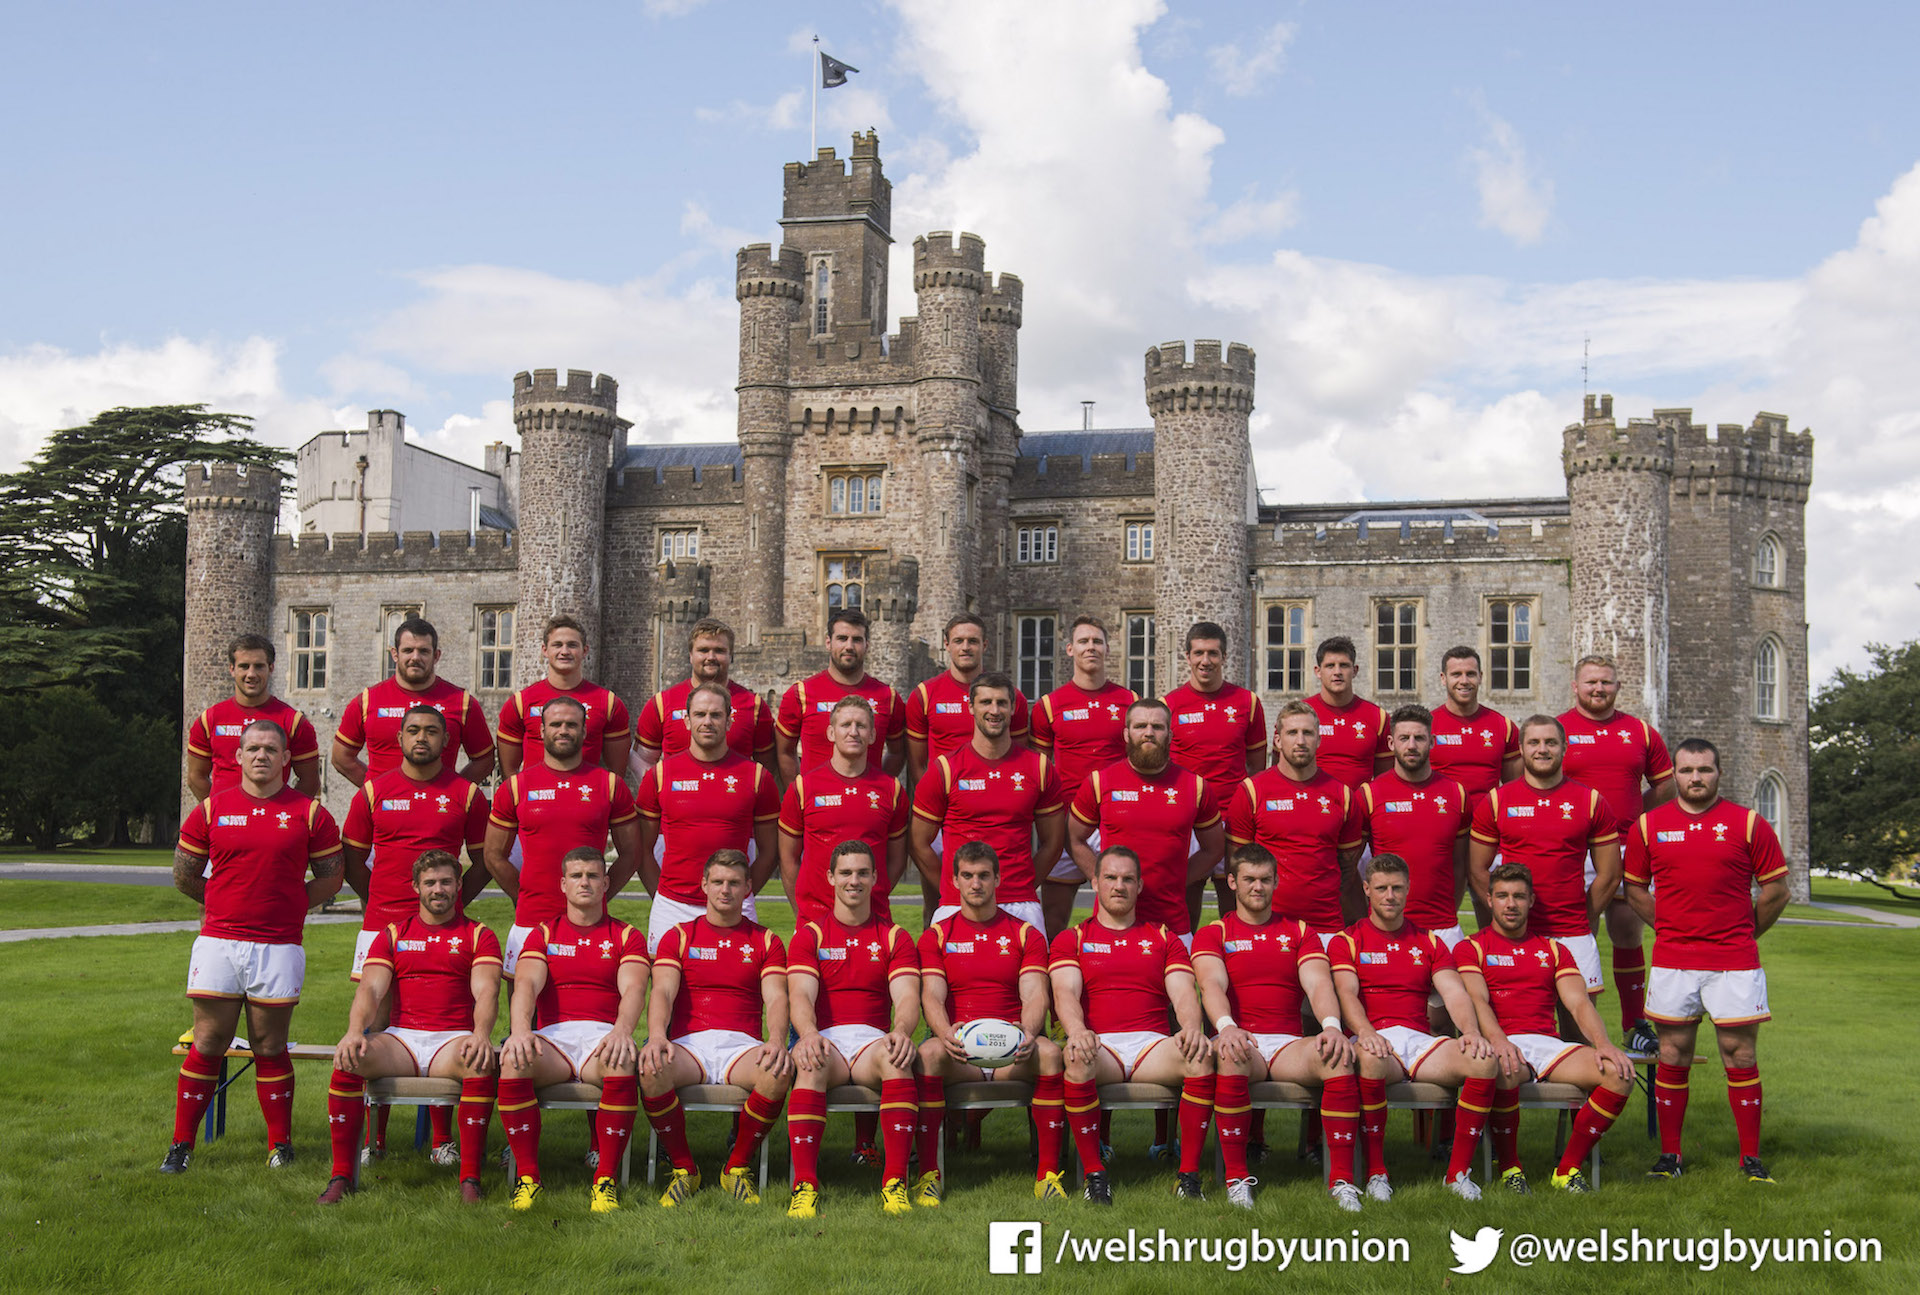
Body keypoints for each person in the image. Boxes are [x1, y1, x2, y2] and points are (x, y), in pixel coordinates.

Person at [162, 719, 343, 1174]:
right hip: (219, 942)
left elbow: (332, 877)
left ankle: (280, 1146)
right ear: (237, 758)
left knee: (269, 1043)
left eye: (271, 749)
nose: (261, 755)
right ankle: (181, 1145)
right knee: (208, 1040)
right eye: (253, 749)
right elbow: (184, 875)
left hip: (279, 945)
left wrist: (290, 904)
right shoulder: (209, 810)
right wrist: (225, 902)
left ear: (286, 759)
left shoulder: (311, 813)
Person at [1623, 738, 1789, 1184]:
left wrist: (1744, 932)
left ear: (1719, 772)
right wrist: (1669, 925)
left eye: (1704, 770)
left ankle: (1750, 1159)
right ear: (1673, 774)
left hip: (1734, 960)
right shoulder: (1648, 826)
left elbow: (1776, 891)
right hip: (1675, 959)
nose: (1695, 778)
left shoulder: (1749, 824)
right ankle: (1670, 1157)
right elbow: (1634, 887)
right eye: (1686, 770)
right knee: (1674, 1054)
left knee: (1740, 1054)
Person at [339, 703, 492, 1162]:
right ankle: (377, 1142)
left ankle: (442, 1141)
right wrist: (381, 903)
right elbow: (351, 860)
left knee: (445, 1021)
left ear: (447, 742)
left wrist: (452, 899)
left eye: (431, 731)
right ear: (398, 738)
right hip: (383, 927)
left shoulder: (466, 794)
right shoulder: (373, 791)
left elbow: (484, 860)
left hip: (448, 929)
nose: (421, 738)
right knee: (377, 1027)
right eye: (412, 731)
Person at [315, 850, 501, 1205]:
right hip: (403, 1038)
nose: (438, 889)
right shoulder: (393, 933)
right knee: (350, 1058)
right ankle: (342, 1175)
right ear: (416, 887)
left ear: (459, 885)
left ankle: (470, 1179)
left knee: (479, 1061)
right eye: (430, 882)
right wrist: (355, 1030)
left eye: (446, 881)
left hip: (452, 1039)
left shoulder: (479, 934)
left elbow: (486, 990)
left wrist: (480, 1035)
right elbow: (370, 988)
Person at [1193, 845, 1362, 1211]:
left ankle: (1343, 1181)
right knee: (1231, 1053)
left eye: (1266, 880)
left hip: (1287, 1044)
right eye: (1250, 879)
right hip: (1242, 1038)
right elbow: (1211, 985)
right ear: (1233, 882)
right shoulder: (1214, 932)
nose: (1258, 887)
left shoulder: (1299, 931)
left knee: (1337, 1058)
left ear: (1276, 882)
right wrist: (1227, 1027)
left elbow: (1318, 984)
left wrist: (1332, 1027)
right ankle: (1238, 1178)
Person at [1455, 863, 1637, 1195]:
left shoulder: (1553, 949)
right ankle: (1510, 1167)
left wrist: (1604, 1044)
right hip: (1504, 1042)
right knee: (1505, 1068)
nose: (1511, 904)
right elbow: (1477, 1001)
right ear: (1489, 899)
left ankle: (1567, 1170)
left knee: (1619, 1074)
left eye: (1519, 897)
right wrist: (1499, 1041)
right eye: (1503, 896)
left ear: (1531, 901)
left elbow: (1579, 1003)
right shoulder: (1472, 947)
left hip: (1548, 1044)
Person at [1049, 846, 1216, 1205]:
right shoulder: (1073, 939)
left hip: (1151, 1045)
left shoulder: (1163, 938)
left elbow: (1184, 992)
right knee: (1076, 1058)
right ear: (1095, 883)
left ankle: (1187, 1177)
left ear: (1140, 886)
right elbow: (1065, 992)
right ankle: (1096, 1175)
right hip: (1101, 1045)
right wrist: (1077, 1031)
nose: (1119, 886)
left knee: (1200, 1055)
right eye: (1110, 877)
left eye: (1127, 879)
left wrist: (1190, 1027)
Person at [1329, 854, 1499, 1202]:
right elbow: (1346, 995)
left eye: (1396, 888)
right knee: (1372, 1059)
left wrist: (1469, 1031)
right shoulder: (1346, 941)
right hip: (1373, 1038)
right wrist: (1365, 1033)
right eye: (1381, 888)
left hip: (1420, 1041)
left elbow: (1454, 992)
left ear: (1408, 890)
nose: (1389, 895)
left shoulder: (1431, 942)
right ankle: (1377, 1172)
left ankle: (1458, 1174)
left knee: (1483, 1061)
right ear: (1366, 890)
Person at [495, 848, 650, 1213]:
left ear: (606, 883)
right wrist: (520, 1031)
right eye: (577, 876)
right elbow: (526, 988)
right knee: (514, 1061)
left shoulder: (626, 935)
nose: (585, 882)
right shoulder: (543, 933)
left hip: (602, 1036)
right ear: (563, 884)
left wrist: (622, 1031)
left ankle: (605, 1180)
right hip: (555, 1038)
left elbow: (634, 991)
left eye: (593, 876)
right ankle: (528, 1179)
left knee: (621, 1062)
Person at [639, 850, 794, 1207]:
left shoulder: (766, 940)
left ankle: (736, 1167)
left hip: (741, 1046)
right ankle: (684, 1169)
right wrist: (659, 1037)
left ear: (748, 889)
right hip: (688, 1044)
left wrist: (775, 1041)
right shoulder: (678, 936)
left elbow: (776, 999)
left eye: (735, 883)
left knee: (777, 1072)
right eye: (719, 882)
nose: (726, 890)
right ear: (704, 885)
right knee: (650, 1068)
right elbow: (662, 990)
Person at [915, 841, 1067, 1204]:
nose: (976, 884)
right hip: (961, 1054)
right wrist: (944, 1033)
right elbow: (931, 996)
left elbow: (1034, 995)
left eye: (984, 875)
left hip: (1011, 1053)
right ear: (954, 881)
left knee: (1049, 1053)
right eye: (967, 876)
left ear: (997, 879)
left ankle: (1047, 1174)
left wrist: (1028, 1033)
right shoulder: (938, 935)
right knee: (927, 1055)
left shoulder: (1025, 934)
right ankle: (928, 1174)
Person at [785, 842, 922, 1217]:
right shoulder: (809, 935)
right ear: (830, 878)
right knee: (810, 1063)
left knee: (897, 1059)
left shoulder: (895, 937)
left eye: (863, 873)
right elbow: (800, 996)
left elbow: (908, 997)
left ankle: (894, 1182)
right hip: (826, 1039)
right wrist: (809, 1034)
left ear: (876, 878)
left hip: (870, 1043)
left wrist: (901, 1031)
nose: (854, 881)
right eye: (845, 873)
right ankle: (805, 1186)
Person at [1559, 654, 1676, 1046]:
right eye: (1591, 682)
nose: (1598, 689)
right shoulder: (1558, 730)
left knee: (1627, 931)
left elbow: (1665, 786)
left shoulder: (1640, 732)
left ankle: (1634, 1026)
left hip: (1625, 846)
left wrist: (1638, 819)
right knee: (1579, 938)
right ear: (1575, 686)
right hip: (1574, 850)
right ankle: (1574, 1032)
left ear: (1617, 687)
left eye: (1606, 682)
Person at [484, 696, 641, 979]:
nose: (563, 730)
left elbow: (631, 853)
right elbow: (493, 854)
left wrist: (600, 894)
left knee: (591, 1009)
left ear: (584, 732)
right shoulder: (516, 787)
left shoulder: (609, 785)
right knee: (523, 1014)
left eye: (572, 724)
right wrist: (522, 896)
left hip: (589, 923)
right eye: (555, 724)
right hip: (531, 919)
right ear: (541, 731)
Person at [1466, 715, 1624, 997]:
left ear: (1565, 747)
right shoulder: (1497, 800)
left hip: (1572, 933)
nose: (1542, 749)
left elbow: (1610, 875)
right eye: (1534, 742)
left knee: (1580, 1031)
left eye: (1551, 742)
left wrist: (1583, 918)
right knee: (1514, 1027)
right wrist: (1506, 915)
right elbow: (1477, 869)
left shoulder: (1590, 801)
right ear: (1522, 749)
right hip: (1517, 935)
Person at [910, 672, 1065, 931]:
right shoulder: (945, 769)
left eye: (1002, 703)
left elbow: (1054, 842)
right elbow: (918, 843)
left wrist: (1022, 884)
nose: (994, 710)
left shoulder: (1039, 767)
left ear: (1014, 708)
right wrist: (952, 887)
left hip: (1020, 903)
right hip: (957, 904)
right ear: (971, 707)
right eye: (986, 702)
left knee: (1030, 973)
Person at [634, 681, 781, 953]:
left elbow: (770, 852)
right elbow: (641, 849)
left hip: (735, 906)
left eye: (716, 715)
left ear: (729, 721)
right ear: (687, 721)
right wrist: (664, 895)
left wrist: (742, 893)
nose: (708, 721)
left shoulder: (757, 776)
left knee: (740, 989)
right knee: (665, 992)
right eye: (700, 715)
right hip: (672, 907)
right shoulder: (661, 774)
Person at [906, 613, 1031, 931]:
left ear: (984, 646)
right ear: (946, 644)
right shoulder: (925, 694)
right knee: (936, 899)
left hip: (994, 803)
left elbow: (1018, 756)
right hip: (942, 808)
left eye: (973, 641)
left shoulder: (1007, 697)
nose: (966, 647)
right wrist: (938, 803)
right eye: (959, 641)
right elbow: (918, 763)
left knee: (998, 892)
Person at [1066, 697, 1225, 942]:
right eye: (1140, 726)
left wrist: (1177, 878)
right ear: (1126, 734)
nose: (1148, 733)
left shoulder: (1196, 786)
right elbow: (1073, 838)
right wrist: (1102, 880)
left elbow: (1214, 849)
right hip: (1111, 924)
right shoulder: (1100, 782)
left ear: (1170, 735)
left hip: (1172, 925)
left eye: (1157, 727)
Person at [1030, 616, 1136, 938]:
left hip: (1112, 820)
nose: (1091, 647)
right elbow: (1040, 771)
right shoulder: (1049, 705)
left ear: (1107, 649)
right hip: (1065, 822)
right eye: (1084, 641)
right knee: (1054, 918)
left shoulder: (1129, 701)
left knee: (1117, 913)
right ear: (1069, 649)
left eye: (1097, 641)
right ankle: (1051, 984)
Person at [1225, 700, 1367, 940]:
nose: (1301, 741)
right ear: (1278, 741)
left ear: (1319, 740)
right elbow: (1237, 862)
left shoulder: (1342, 794)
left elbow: (1348, 865)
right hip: (1268, 926)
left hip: (1325, 926)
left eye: (1308, 733)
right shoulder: (1251, 791)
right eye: (1292, 733)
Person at [1161, 621, 1266, 927]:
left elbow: (1256, 767)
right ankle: (1184, 967)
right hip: (1188, 819)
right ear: (1187, 656)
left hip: (1233, 819)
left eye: (1212, 653)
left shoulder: (1247, 702)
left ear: (1224, 656)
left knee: (1235, 905)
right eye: (1199, 653)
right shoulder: (1170, 705)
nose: (1205, 660)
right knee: (1185, 905)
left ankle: (1235, 970)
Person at [779, 695, 911, 924]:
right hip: (815, 919)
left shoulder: (892, 789)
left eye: (861, 726)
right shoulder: (803, 787)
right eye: (845, 725)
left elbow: (897, 860)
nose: (853, 732)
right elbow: (788, 859)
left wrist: (870, 895)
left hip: (874, 920)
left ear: (872, 736)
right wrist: (802, 910)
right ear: (831, 733)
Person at [329, 615, 496, 788]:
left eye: (424, 651)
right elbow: (341, 757)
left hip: (439, 810)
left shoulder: (462, 702)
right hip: (384, 810)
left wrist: (454, 791)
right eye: (408, 650)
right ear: (395, 654)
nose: (415, 657)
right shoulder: (367, 701)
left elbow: (485, 760)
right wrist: (375, 791)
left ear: (436, 656)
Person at [1358, 705, 1472, 949]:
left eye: (1419, 738)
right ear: (1390, 743)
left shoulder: (1456, 794)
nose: (1411, 745)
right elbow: (1351, 866)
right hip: (1386, 927)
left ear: (1431, 742)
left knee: (1456, 988)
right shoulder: (1369, 794)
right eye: (1404, 738)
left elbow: (1461, 863)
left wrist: (1447, 910)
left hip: (1443, 928)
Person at [775, 607, 906, 782]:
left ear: (867, 645)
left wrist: (880, 787)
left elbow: (898, 752)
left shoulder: (888, 697)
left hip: (868, 803)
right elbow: (784, 752)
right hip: (816, 804)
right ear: (828, 642)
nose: (849, 646)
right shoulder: (801, 693)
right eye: (842, 638)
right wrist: (799, 794)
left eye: (857, 640)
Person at [185, 633, 321, 800]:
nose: (251, 674)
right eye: (244, 666)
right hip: (225, 822)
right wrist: (217, 811)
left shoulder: (293, 721)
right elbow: (195, 777)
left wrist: (286, 814)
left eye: (258, 666)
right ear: (231, 669)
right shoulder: (210, 719)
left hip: (273, 821)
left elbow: (310, 780)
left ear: (271, 668)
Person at [632, 618, 775, 773]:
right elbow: (642, 759)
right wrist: (659, 792)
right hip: (678, 796)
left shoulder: (754, 706)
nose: (711, 657)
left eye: (719, 651)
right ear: (690, 655)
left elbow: (768, 767)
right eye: (703, 650)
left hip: (732, 793)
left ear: (731, 656)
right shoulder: (662, 703)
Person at [496, 615, 632, 775]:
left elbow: (617, 773)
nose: (564, 651)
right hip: (536, 797)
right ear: (545, 650)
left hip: (585, 795)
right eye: (557, 645)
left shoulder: (609, 703)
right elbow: (508, 772)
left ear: (585, 650)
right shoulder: (520, 702)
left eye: (572, 645)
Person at [1425, 646, 1520, 821]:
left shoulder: (1503, 726)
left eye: (1470, 674)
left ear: (1480, 677)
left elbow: (1515, 787)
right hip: (1440, 822)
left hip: (1487, 825)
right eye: (1456, 674)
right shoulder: (1426, 726)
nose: (1464, 681)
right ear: (1443, 679)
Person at [1301, 636, 1390, 793]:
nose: (1337, 672)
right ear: (1318, 671)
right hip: (1312, 810)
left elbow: (1386, 780)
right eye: (1330, 666)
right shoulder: (1300, 714)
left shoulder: (1378, 717)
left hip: (1359, 812)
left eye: (1344, 666)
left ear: (1354, 671)